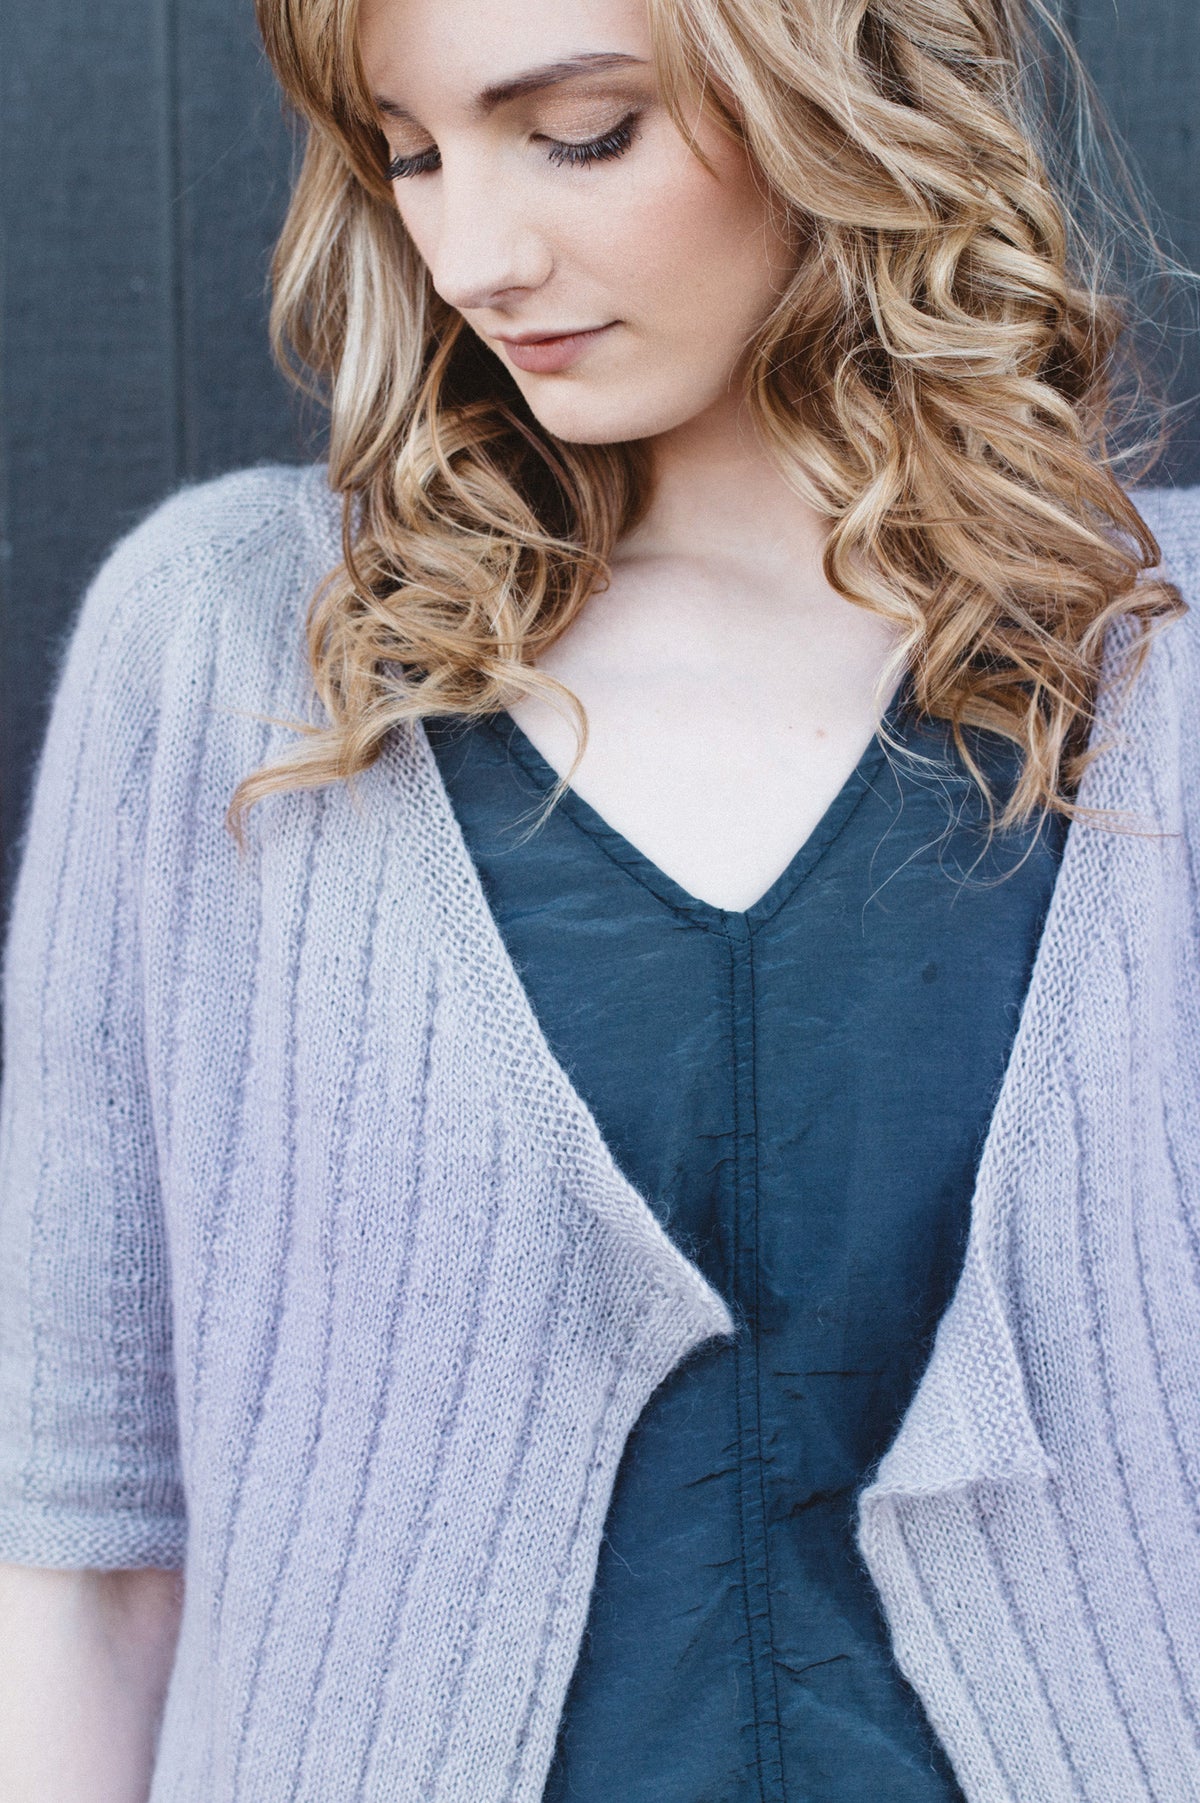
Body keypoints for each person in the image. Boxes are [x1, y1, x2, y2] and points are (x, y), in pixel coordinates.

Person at [1, 0, 1198, 1796]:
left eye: (578, 133)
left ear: (840, 92)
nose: (474, 256)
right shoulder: (233, 648)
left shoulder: (1163, 665)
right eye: (410, 155)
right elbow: (85, 1541)